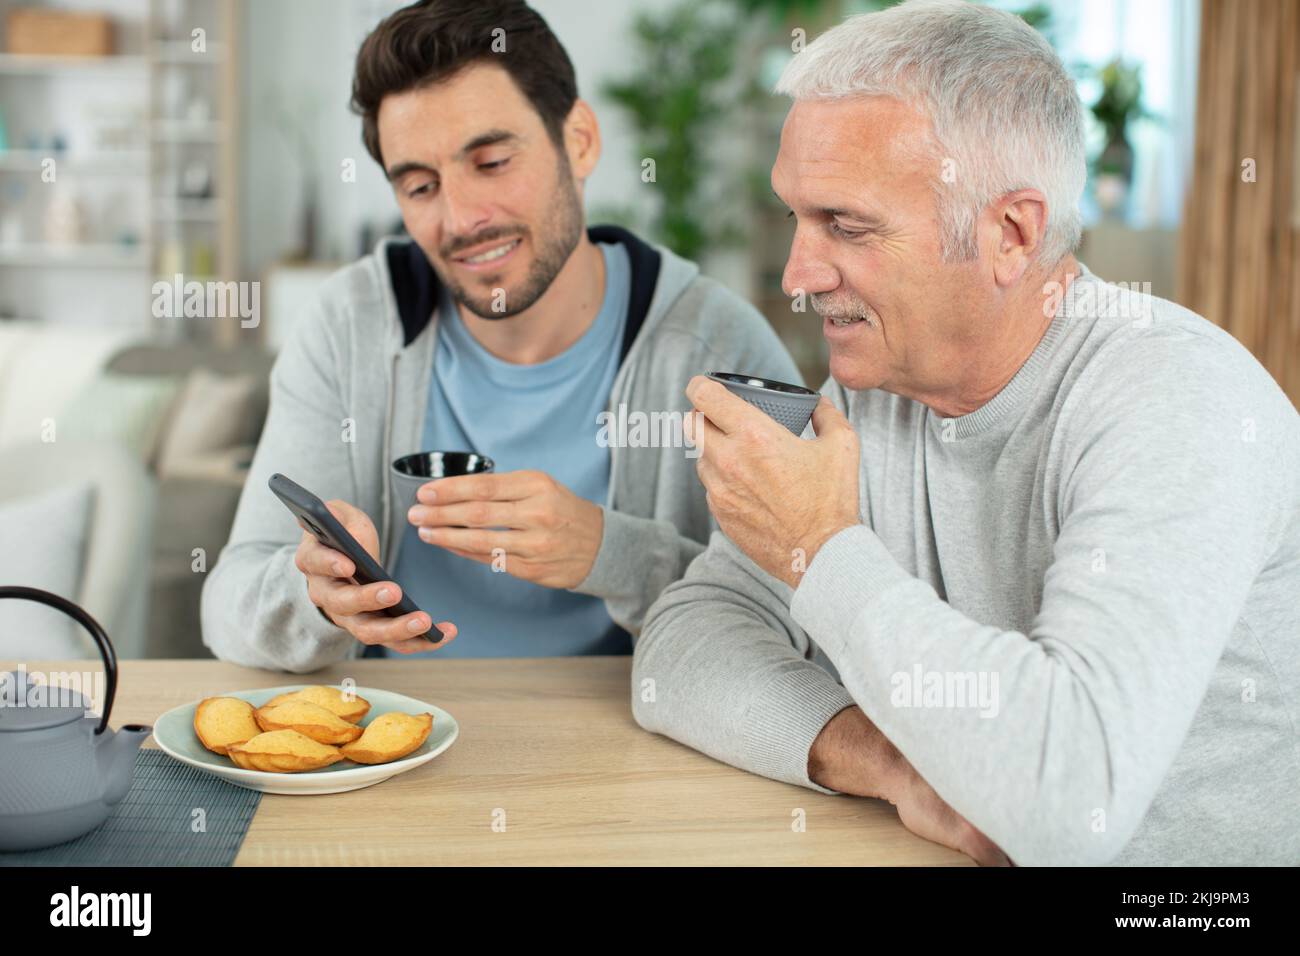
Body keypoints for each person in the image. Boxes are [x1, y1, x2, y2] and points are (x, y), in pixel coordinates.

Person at [633, 0, 1300, 866]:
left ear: (1011, 234)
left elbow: (1071, 802)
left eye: (846, 224)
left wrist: (818, 546)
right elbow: (683, 643)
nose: (798, 275)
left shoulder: (1179, 399)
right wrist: (892, 765)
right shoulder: (877, 390)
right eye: (796, 217)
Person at [201, 0, 799, 668]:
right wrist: (312, 597)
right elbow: (228, 601)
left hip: (630, 742)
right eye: (421, 186)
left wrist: (609, 552)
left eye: (490, 163)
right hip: (402, 740)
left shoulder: (716, 347)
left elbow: (797, 615)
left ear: (580, 141)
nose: (461, 219)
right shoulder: (350, 326)